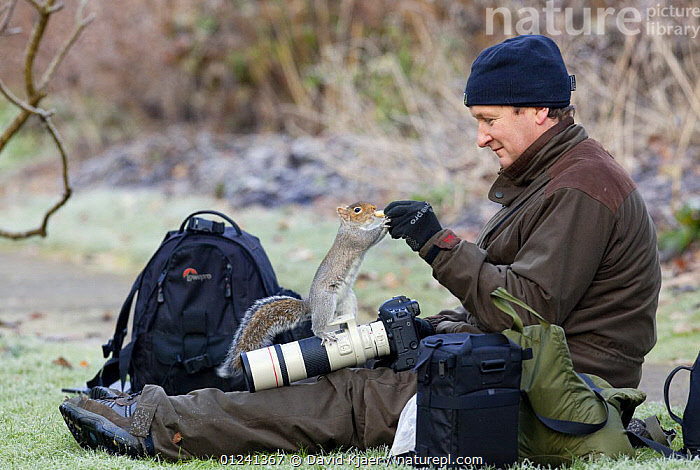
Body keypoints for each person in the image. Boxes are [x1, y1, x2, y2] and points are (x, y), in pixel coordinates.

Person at [59, 35, 660, 460]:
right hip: (523, 361)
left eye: (490, 120)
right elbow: (518, 301)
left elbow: (526, 310)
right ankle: (153, 403)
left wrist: (438, 243)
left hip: (563, 385)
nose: (480, 138)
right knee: (345, 359)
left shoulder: (583, 187)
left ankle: (158, 426)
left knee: (353, 398)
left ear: (538, 111)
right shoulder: (561, 175)